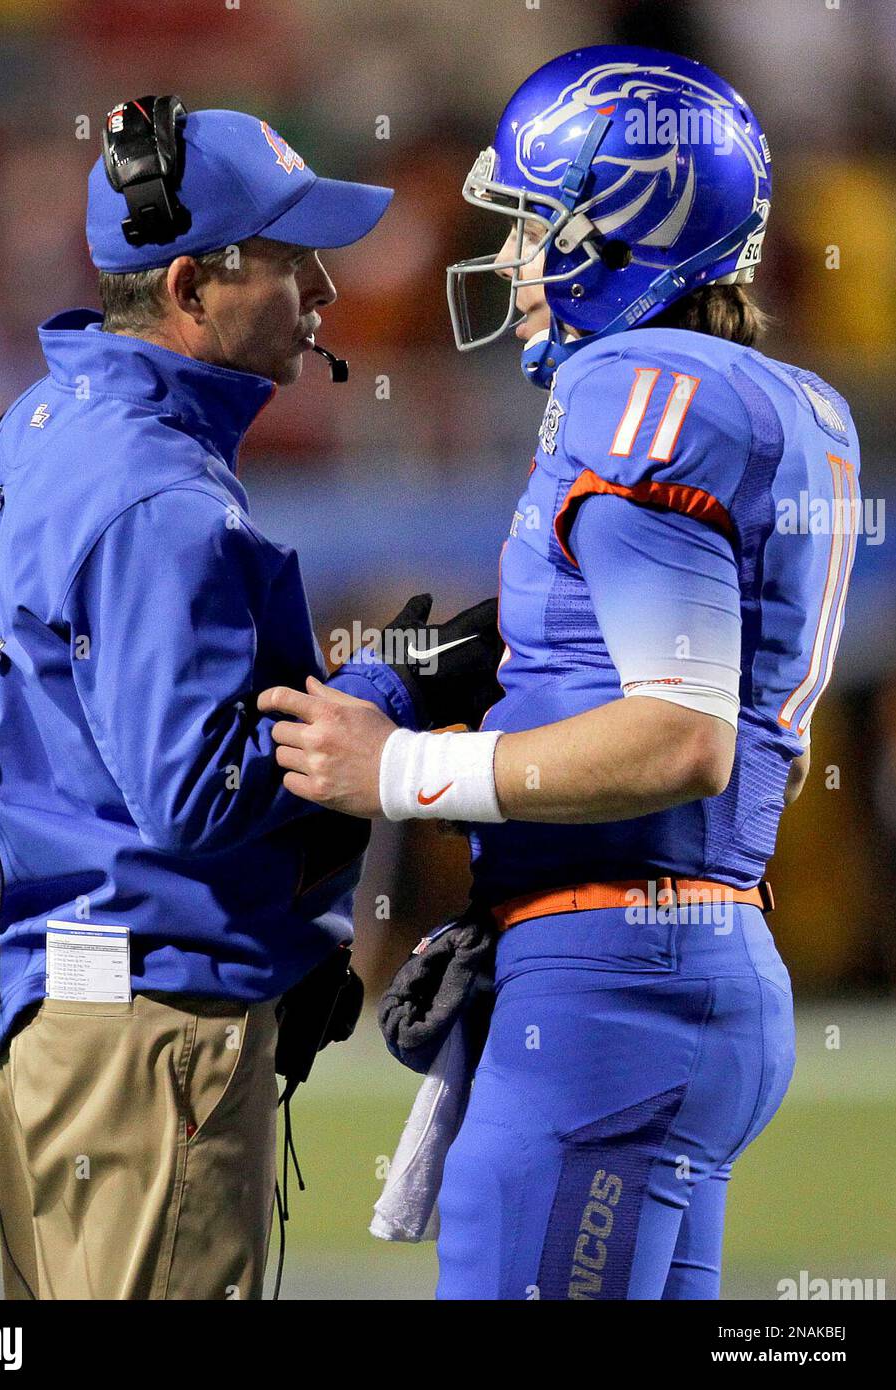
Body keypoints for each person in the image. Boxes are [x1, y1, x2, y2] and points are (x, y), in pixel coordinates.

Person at [257, 46, 862, 1299]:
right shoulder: (772, 394)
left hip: (609, 983)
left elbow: (675, 733)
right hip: (683, 961)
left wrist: (403, 769)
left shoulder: (636, 393)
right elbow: (618, 627)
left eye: (536, 222)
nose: (516, 260)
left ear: (624, 223)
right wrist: (436, 666)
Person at [0, 97, 501, 1300]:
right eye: (292, 261)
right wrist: (386, 681)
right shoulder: (155, 491)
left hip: (59, 1013)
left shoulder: (26, 431)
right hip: (149, 1035)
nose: (325, 295)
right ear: (192, 285)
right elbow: (194, 792)